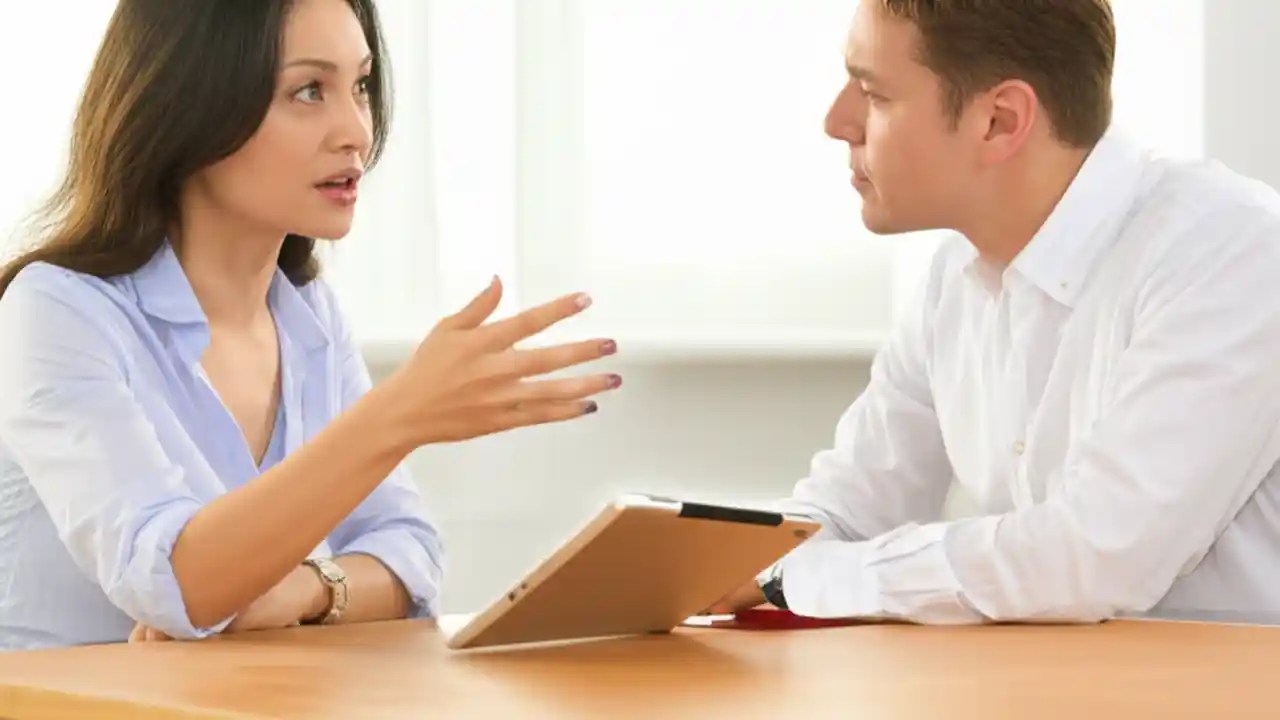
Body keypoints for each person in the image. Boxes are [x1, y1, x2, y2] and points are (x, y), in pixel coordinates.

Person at [0, 0, 620, 651]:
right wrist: (397, 416)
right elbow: (173, 585)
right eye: (307, 91)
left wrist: (302, 590)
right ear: (188, 104)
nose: (356, 130)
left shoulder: (306, 314)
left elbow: (410, 558)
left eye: (359, 86)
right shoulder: (55, 311)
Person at [712, 0, 1280, 624]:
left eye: (874, 94)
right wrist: (688, 567)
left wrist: (799, 580)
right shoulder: (954, 279)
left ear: (999, 121)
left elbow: (1096, 557)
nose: (835, 120)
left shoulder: (1231, 249)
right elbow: (848, 510)